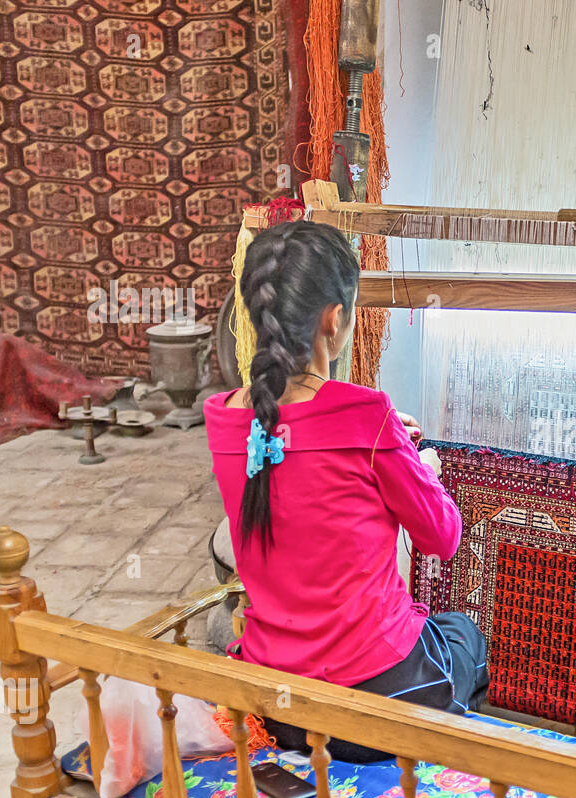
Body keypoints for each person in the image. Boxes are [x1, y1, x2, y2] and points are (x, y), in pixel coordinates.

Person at [203, 220, 487, 762]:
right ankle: (440, 768)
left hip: (277, 702)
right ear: (334, 320)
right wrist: (419, 464)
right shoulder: (367, 415)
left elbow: (302, 465)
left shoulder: (222, 420)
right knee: (464, 637)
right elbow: (443, 537)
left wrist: (382, 441)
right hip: (375, 706)